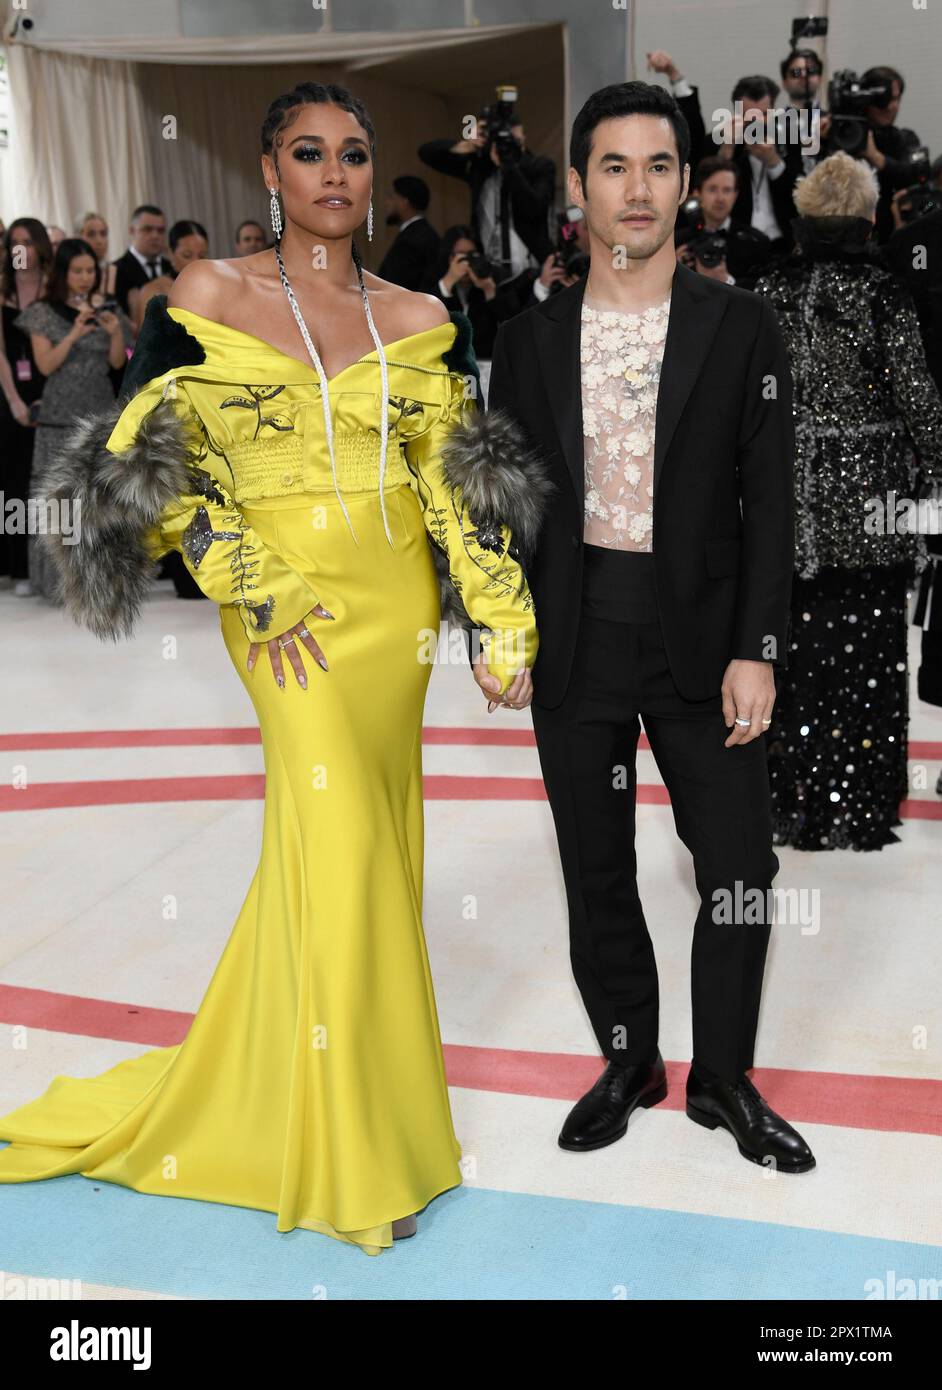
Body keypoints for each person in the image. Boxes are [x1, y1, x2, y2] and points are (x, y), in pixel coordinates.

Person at [0, 82, 549, 1257]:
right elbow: (139, 469)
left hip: (391, 610)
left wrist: (501, 614)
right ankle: (354, 1157)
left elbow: (458, 482)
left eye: (355, 154)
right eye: (311, 153)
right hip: (285, 616)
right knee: (341, 839)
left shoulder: (413, 315)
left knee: (367, 858)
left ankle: (342, 1100)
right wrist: (247, 573)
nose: (336, 173)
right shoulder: (211, 292)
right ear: (270, 172)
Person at [486, 80, 815, 1172]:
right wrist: (501, 626)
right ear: (577, 188)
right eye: (614, 166)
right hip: (579, 632)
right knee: (596, 865)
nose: (639, 187)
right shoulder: (529, 340)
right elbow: (508, 498)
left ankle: (723, 1077)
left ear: (688, 184)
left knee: (735, 866)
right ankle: (629, 1058)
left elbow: (771, 502)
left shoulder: (743, 322)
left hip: (706, 640)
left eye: (659, 165)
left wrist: (756, 649)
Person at [752, 152, 942, 848]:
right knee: (863, 660)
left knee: (788, 659)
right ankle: (855, 806)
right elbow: (919, 401)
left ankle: (788, 801)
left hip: (780, 513)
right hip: (872, 511)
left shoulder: (765, 289)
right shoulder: (885, 293)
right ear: (867, 219)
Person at [13, 237, 134, 603]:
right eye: (77, 271)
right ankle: (57, 583)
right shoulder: (41, 312)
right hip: (58, 416)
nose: (84, 278)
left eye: (89, 271)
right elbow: (46, 365)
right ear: (62, 273)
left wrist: (115, 333)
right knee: (59, 502)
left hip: (98, 411)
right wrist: (75, 333)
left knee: (99, 500)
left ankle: (98, 582)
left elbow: (117, 363)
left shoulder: (107, 309)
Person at [0, 218, 51, 594]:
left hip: (54, 391)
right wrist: (16, 401)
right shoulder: (2, 293)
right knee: (16, 482)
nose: (21, 251)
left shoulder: (55, 290)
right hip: (11, 395)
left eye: (28, 242)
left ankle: (53, 567)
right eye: (14, 243)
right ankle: (20, 567)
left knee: (52, 482)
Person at [422, 224, 515, 360]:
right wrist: (448, 281)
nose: (466, 262)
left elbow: (510, 324)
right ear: (448, 256)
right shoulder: (433, 281)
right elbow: (425, 321)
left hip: (482, 361)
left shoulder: (489, 281)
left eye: (471, 255)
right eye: (460, 256)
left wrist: (489, 290)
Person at [129, 218, 209, 331]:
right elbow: (148, 343)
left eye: (202, 256)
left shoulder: (213, 288)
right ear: (170, 253)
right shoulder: (153, 291)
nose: (195, 262)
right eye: (187, 255)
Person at [377, 175, 440, 291]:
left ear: (404, 202)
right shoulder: (422, 233)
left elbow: (396, 289)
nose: (386, 203)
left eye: (391, 197)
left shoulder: (410, 242)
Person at [112, 205, 173, 314]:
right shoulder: (116, 271)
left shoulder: (172, 268)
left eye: (160, 231)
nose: (155, 236)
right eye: (147, 229)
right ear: (132, 231)